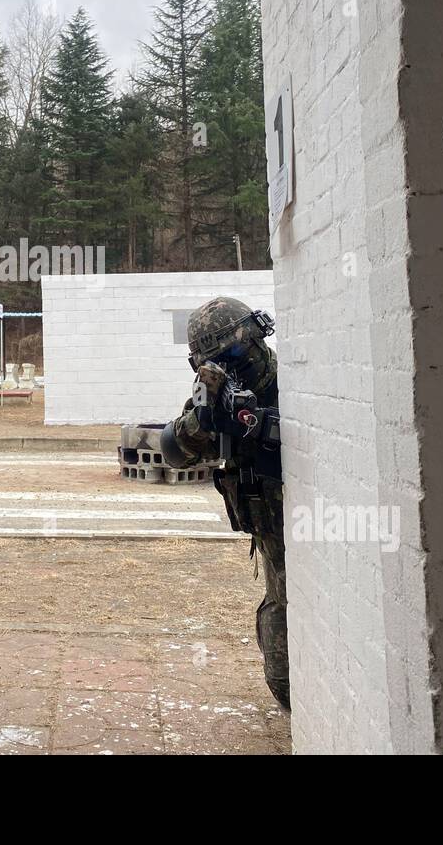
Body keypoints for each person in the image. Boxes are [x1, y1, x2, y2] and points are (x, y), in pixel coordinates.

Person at [160, 297, 290, 711]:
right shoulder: (215, 395)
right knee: (283, 622)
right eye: (217, 363)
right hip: (272, 531)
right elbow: (176, 451)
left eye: (234, 355)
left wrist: (265, 424)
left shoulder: (295, 379)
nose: (230, 369)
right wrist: (205, 420)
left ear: (255, 339)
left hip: (315, 522)